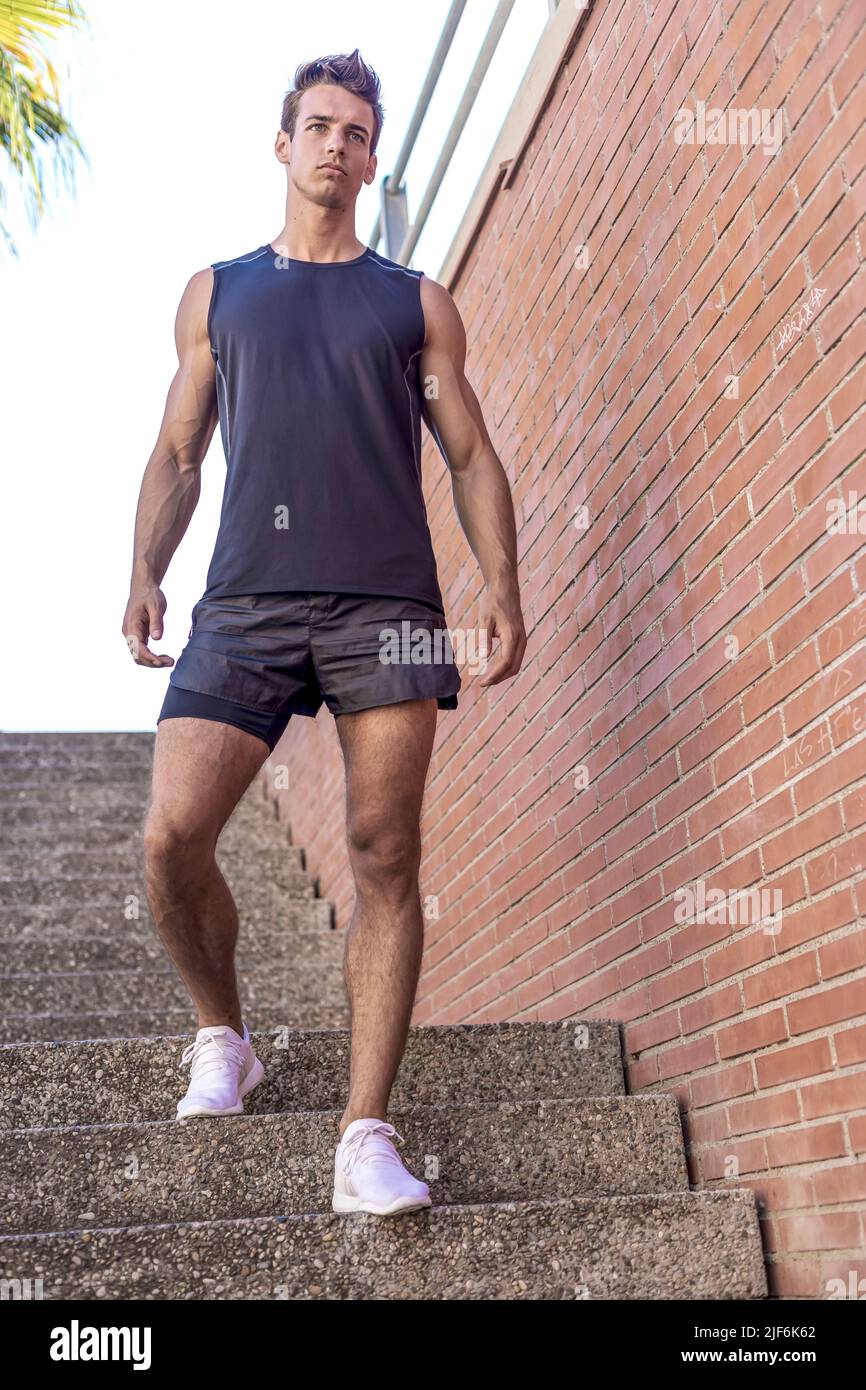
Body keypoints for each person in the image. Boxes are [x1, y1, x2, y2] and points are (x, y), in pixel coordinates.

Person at [122, 49, 526, 1217]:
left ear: (370, 155)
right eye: (318, 126)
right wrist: (143, 568)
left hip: (387, 610)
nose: (336, 146)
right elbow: (178, 450)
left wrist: (501, 582)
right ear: (283, 143)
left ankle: (364, 1135)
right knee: (169, 837)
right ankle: (222, 1035)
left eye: (356, 131)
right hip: (244, 603)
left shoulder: (412, 301)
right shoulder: (218, 292)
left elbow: (468, 454)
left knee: (383, 851)